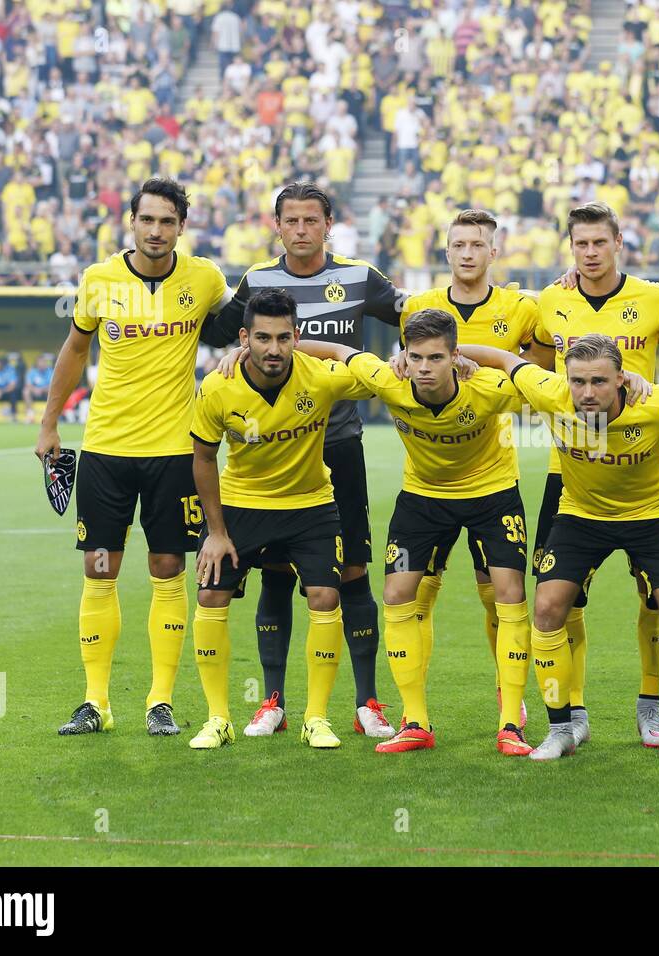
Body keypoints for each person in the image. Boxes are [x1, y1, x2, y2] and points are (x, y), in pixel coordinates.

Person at [284, 310, 537, 755]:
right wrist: (260, 349)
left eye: (436, 357)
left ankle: (510, 723)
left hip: (492, 495)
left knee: (509, 593)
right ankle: (415, 720)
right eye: (415, 356)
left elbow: (542, 380)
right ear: (404, 355)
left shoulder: (489, 389)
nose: (423, 368)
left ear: (455, 357)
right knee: (399, 594)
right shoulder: (388, 380)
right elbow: (342, 352)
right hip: (422, 500)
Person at [201, 182, 402, 740]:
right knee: (274, 568)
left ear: (328, 224)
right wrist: (225, 353)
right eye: (291, 220)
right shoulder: (258, 281)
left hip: (336, 445)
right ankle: (273, 702)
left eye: (311, 220)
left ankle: (367, 703)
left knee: (351, 570)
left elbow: (412, 312)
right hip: (273, 450)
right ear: (278, 226)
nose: (301, 229)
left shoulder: (359, 277)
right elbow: (223, 332)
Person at [36, 177, 230, 738]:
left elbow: (247, 324)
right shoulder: (98, 280)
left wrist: (234, 353)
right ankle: (95, 702)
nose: (156, 230)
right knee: (100, 568)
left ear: (181, 227)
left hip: (175, 451)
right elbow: (75, 349)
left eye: (167, 221)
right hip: (105, 449)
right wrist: (50, 423)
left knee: (168, 569)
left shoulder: (204, 277)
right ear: (132, 222)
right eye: (147, 219)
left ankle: (159, 701)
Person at [463, 334, 659, 763]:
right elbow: (504, 357)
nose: (587, 392)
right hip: (580, 516)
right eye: (578, 381)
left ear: (621, 379)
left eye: (599, 381)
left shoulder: (654, 402)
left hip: (652, 516)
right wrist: (452, 354)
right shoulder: (550, 392)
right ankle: (562, 729)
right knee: (546, 609)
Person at [522, 201, 659, 750]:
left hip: (642, 459)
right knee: (560, 603)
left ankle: (655, 708)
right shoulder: (550, 300)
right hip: (570, 475)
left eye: (600, 242)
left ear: (618, 241)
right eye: (581, 244)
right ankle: (569, 713)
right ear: (570, 247)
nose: (591, 253)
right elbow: (523, 357)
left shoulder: (652, 298)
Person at [188, 288, 372, 750]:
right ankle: (218, 719)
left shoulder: (320, 378)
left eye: (284, 338)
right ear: (244, 337)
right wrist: (215, 532)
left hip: (310, 504)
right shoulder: (217, 387)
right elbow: (203, 458)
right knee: (211, 597)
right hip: (242, 505)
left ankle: (316, 717)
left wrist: (453, 361)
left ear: (298, 337)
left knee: (326, 596)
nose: (274, 349)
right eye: (263, 338)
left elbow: (386, 376)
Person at [400, 209, 541, 731]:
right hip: (429, 477)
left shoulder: (521, 307)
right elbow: (410, 364)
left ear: (493, 252)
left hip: (493, 473)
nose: (466, 253)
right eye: (458, 244)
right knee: (416, 593)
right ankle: (414, 712)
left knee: (495, 591)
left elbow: (541, 364)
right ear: (446, 251)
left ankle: (509, 694)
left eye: (477, 245)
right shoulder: (419, 307)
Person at [0, 354, 21, 419]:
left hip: (6, 391)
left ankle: (14, 415)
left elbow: (12, 385)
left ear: (1, 364)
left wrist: (1, 392)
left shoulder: (10, 370)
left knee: (13, 393)